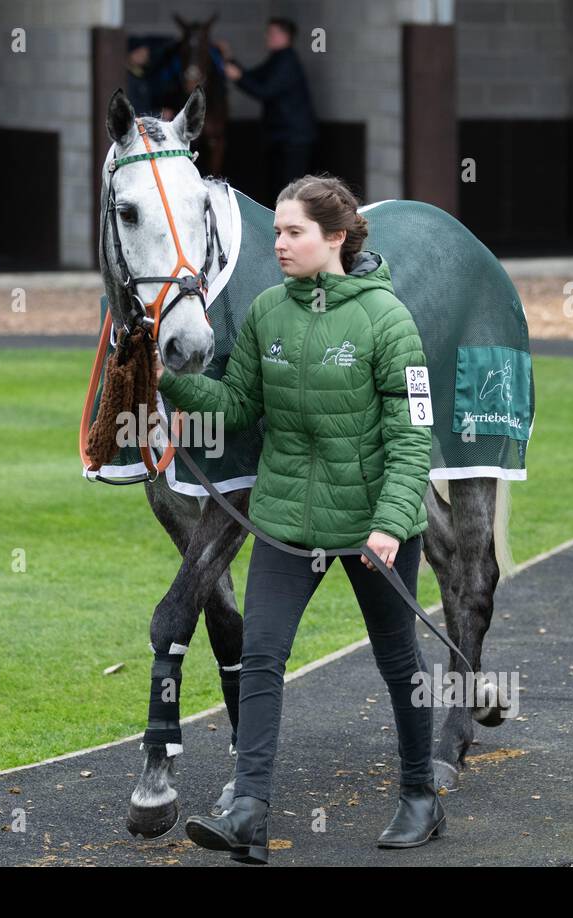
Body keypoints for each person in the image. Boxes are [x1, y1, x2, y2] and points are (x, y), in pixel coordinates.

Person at [155, 174, 442, 863]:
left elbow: (414, 436)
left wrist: (390, 522)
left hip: (374, 524)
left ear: (335, 238)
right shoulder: (266, 315)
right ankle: (249, 810)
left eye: (293, 233)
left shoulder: (390, 321)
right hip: (287, 521)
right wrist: (165, 379)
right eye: (277, 231)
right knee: (261, 658)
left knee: (399, 662)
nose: (278, 244)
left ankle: (420, 796)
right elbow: (234, 406)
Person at [218, 18, 317, 204]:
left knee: (290, 192)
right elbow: (253, 76)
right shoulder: (277, 59)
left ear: (284, 36)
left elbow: (264, 90)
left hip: (293, 138)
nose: (266, 37)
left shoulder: (287, 61)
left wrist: (238, 77)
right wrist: (230, 58)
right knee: (280, 189)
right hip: (282, 137)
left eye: (271, 33)